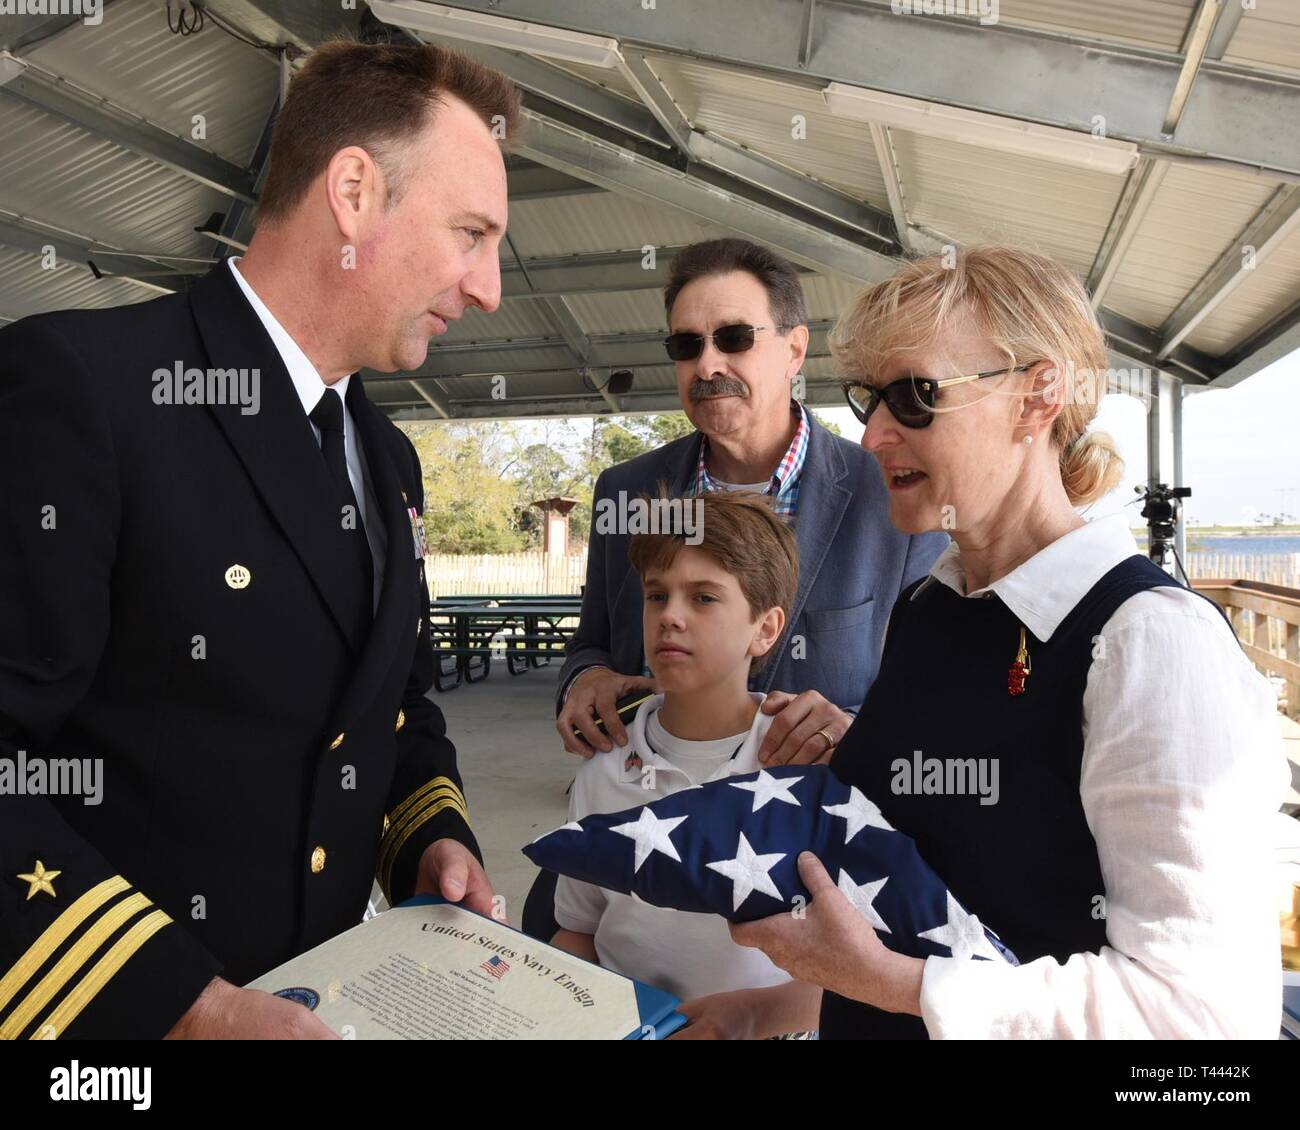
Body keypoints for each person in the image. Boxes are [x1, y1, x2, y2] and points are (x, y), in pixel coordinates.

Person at [0, 41, 519, 1038]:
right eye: (470, 233)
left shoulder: (388, 459)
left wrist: (431, 838)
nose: (489, 286)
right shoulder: (84, 390)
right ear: (354, 192)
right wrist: (184, 1007)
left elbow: (395, 702)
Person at [731, 245, 1289, 1039]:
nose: (877, 435)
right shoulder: (933, 606)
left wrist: (898, 986)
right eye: (869, 401)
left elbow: (1201, 1021)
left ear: (1039, 395)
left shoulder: (1149, 644)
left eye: (915, 396)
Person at [556, 238, 947, 768]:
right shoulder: (627, 493)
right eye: (687, 345)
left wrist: (853, 728)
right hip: (654, 819)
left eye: (735, 338)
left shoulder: (892, 494)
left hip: (817, 829)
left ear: (795, 350)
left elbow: (934, 691)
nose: (707, 363)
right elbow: (592, 644)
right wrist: (588, 678)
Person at [550, 491, 821, 1039]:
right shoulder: (605, 770)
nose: (670, 616)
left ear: (765, 630)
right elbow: (577, 932)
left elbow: (859, 970)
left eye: (703, 598)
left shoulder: (806, 772)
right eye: (656, 595)